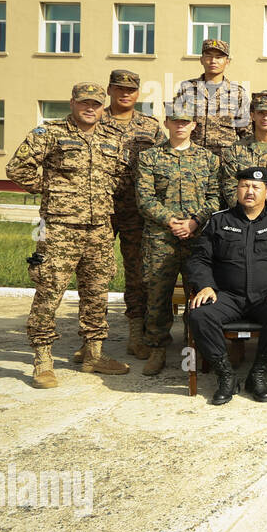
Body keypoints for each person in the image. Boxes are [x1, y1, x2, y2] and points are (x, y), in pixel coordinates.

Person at [8, 82, 129, 387]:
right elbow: (17, 168)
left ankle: (93, 354)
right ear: (72, 103)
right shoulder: (50, 132)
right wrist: (52, 190)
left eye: (97, 104)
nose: (91, 108)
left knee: (97, 294)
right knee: (49, 292)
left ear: (104, 107)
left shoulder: (112, 138)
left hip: (100, 228)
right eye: (85, 102)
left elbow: (121, 179)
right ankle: (43, 360)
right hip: (59, 228)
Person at [185, 168, 267, 405]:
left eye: (256, 187)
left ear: (266, 191)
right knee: (199, 315)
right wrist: (205, 286)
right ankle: (226, 376)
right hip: (227, 296)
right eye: (244, 186)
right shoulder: (219, 221)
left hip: (266, 297)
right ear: (236, 190)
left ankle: (257, 374)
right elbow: (199, 258)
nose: (250, 191)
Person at [135, 102, 220, 376]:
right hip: (161, 238)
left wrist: (195, 222)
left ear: (194, 125)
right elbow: (145, 198)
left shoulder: (209, 159)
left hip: (198, 239)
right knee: (157, 295)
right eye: (176, 121)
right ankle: (157, 347)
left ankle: (193, 346)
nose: (181, 125)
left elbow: (215, 197)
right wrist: (171, 221)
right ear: (167, 123)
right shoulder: (150, 158)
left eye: (186, 121)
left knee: (198, 294)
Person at [98, 68, 165, 359]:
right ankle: (92, 338)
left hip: (135, 210)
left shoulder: (150, 128)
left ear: (137, 93)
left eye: (130, 89)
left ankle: (136, 334)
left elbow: (163, 164)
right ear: (109, 90)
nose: (125, 93)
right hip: (98, 207)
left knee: (137, 272)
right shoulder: (93, 121)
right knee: (96, 273)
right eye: (119, 88)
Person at [173, 38, 250, 157]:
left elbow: (246, 133)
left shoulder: (237, 93)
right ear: (201, 60)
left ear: (227, 61)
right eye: (208, 56)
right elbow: (176, 124)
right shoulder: (187, 89)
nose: (213, 61)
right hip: (193, 158)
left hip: (225, 160)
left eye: (219, 57)